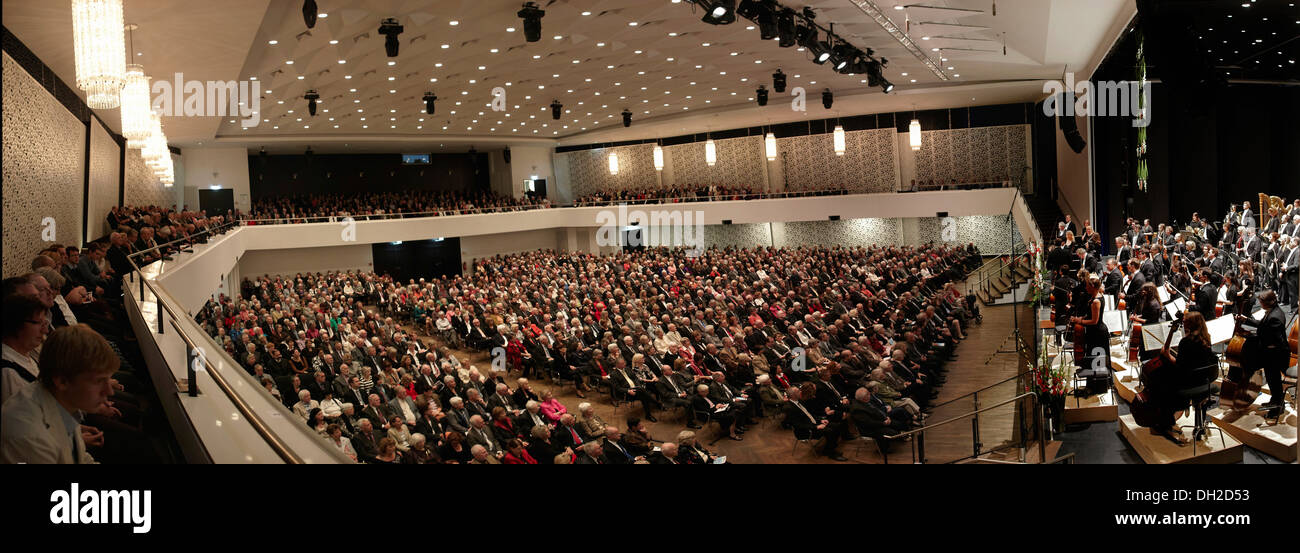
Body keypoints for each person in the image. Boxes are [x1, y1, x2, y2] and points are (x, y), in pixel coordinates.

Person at [1, 325, 118, 464]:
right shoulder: (28, 436)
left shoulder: (64, 402)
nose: (109, 391)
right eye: (99, 381)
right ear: (62, 381)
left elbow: (81, 458)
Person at [1237, 291, 1290, 411]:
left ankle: (1277, 406)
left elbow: (1275, 340)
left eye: (1261, 302)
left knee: (1274, 380)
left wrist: (1254, 338)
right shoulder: (1273, 311)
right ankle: (1275, 401)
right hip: (1272, 354)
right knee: (1272, 379)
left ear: (1269, 302)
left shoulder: (1274, 317)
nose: (1260, 304)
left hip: (1276, 355)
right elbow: (1262, 325)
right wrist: (1247, 320)